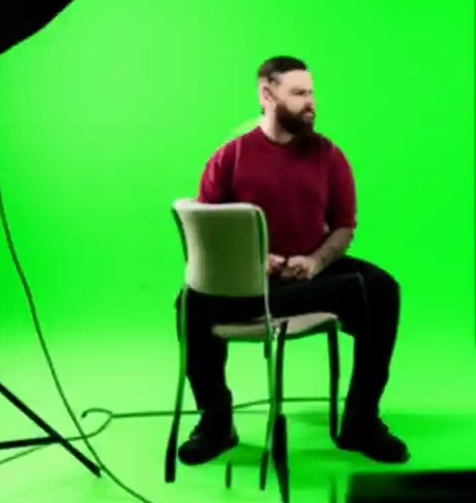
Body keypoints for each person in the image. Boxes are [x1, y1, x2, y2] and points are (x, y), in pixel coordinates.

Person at [175, 56, 409, 466]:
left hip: (315, 275)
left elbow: (343, 227)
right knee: (189, 303)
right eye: (299, 93)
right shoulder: (229, 157)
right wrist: (252, 258)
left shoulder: (329, 155)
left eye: (312, 92)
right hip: (251, 282)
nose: (311, 103)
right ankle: (216, 423)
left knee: (383, 289)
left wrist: (316, 261)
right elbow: (209, 227)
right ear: (267, 95)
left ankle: (360, 422)